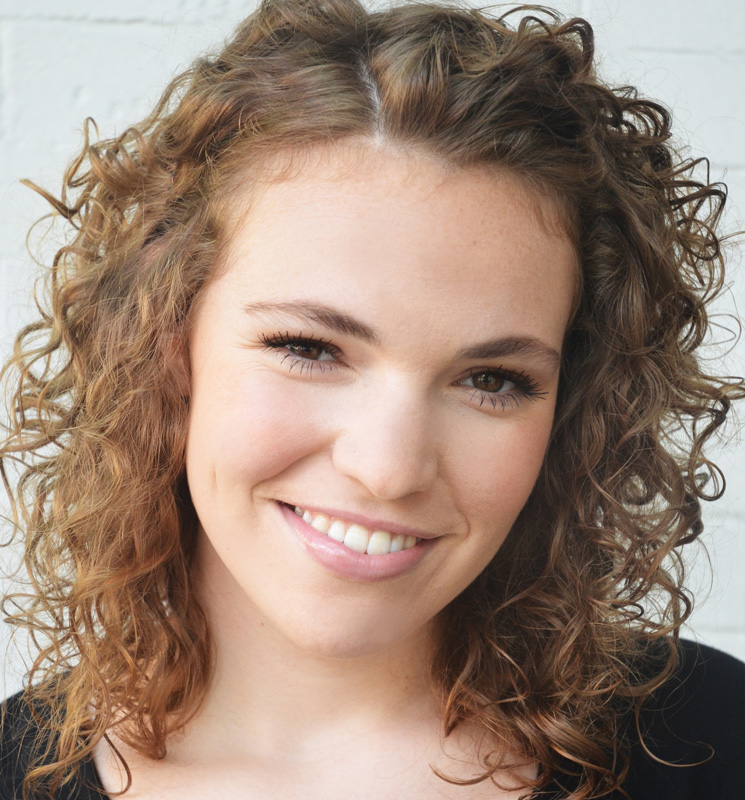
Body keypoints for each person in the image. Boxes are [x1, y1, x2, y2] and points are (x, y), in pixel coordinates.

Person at [1, 0, 743, 797]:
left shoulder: (712, 736)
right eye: (309, 349)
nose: (388, 469)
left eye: (491, 380)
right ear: (167, 343)